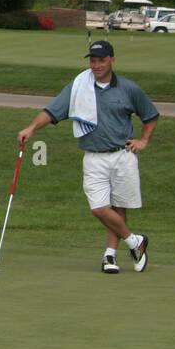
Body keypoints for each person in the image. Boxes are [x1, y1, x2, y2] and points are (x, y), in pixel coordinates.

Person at [17, 40, 157, 274]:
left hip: (123, 155)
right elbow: (52, 111)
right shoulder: (79, 86)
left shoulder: (129, 88)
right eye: (93, 61)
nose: (97, 65)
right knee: (99, 208)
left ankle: (109, 256)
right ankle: (135, 242)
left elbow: (150, 115)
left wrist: (143, 140)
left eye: (101, 60)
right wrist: (31, 128)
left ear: (112, 60)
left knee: (118, 207)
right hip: (94, 157)